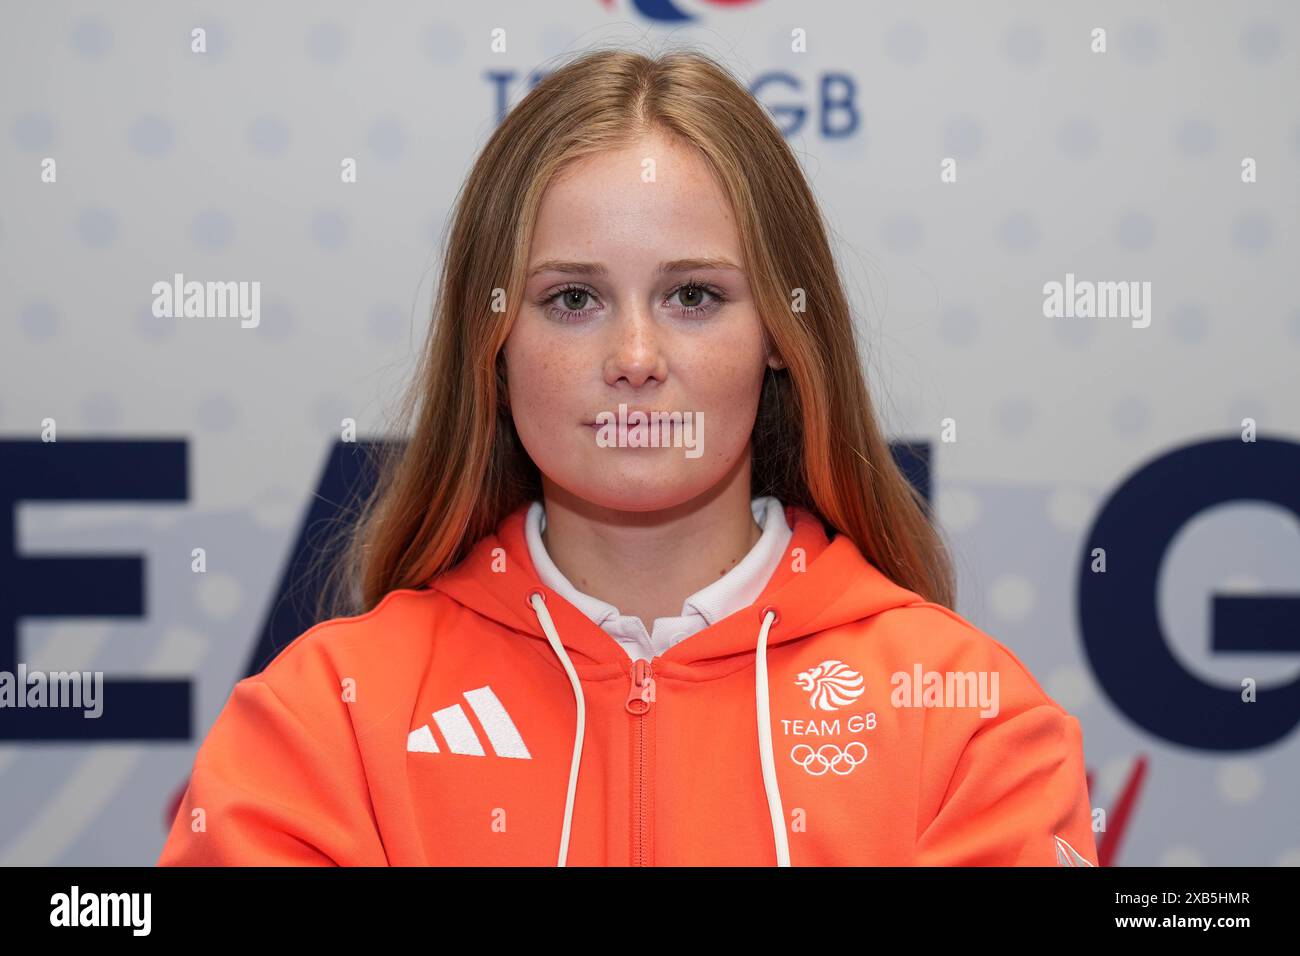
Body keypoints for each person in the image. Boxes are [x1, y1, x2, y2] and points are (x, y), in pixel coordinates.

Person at [157, 46, 1098, 867]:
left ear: (780, 327)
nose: (636, 361)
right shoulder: (324, 725)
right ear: (491, 340)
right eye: (572, 300)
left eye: (693, 296)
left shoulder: (967, 724)